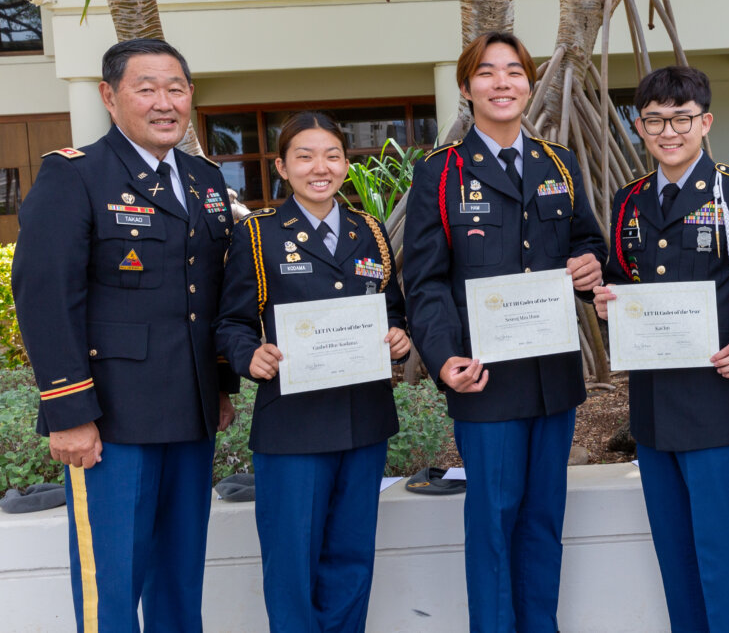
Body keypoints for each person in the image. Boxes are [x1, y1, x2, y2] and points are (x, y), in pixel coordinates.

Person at [12, 37, 236, 631]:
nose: (165, 103)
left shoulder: (205, 179)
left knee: (180, 582)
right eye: (146, 89)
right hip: (111, 422)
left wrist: (218, 386)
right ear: (110, 98)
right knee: (110, 587)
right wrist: (67, 411)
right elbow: (44, 297)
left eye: (176, 88)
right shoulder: (75, 175)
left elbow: (207, 296)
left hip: (189, 417)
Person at [403, 31, 606, 633]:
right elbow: (427, 282)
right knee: (492, 523)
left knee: (544, 523)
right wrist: (443, 360)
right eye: (486, 73)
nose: (502, 83)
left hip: (551, 380)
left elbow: (586, 242)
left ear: (529, 83)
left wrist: (590, 263)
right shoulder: (439, 175)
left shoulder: (559, 165)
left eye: (514, 72)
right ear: (466, 88)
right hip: (482, 381)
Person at [593, 65, 729, 632]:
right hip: (651, 410)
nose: (667, 132)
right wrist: (605, 304)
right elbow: (619, 280)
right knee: (676, 558)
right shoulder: (628, 201)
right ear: (639, 126)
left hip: (714, 401)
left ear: (705, 122)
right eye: (653, 120)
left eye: (681, 119)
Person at [214, 111, 410, 632]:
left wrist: (398, 334)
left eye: (332, 155)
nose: (319, 167)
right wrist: (247, 355)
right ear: (282, 166)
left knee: (351, 559)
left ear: (346, 164)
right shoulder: (258, 235)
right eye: (304, 156)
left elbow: (392, 307)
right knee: (292, 563)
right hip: (292, 427)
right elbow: (231, 321)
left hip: (363, 420)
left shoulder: (369, 230)